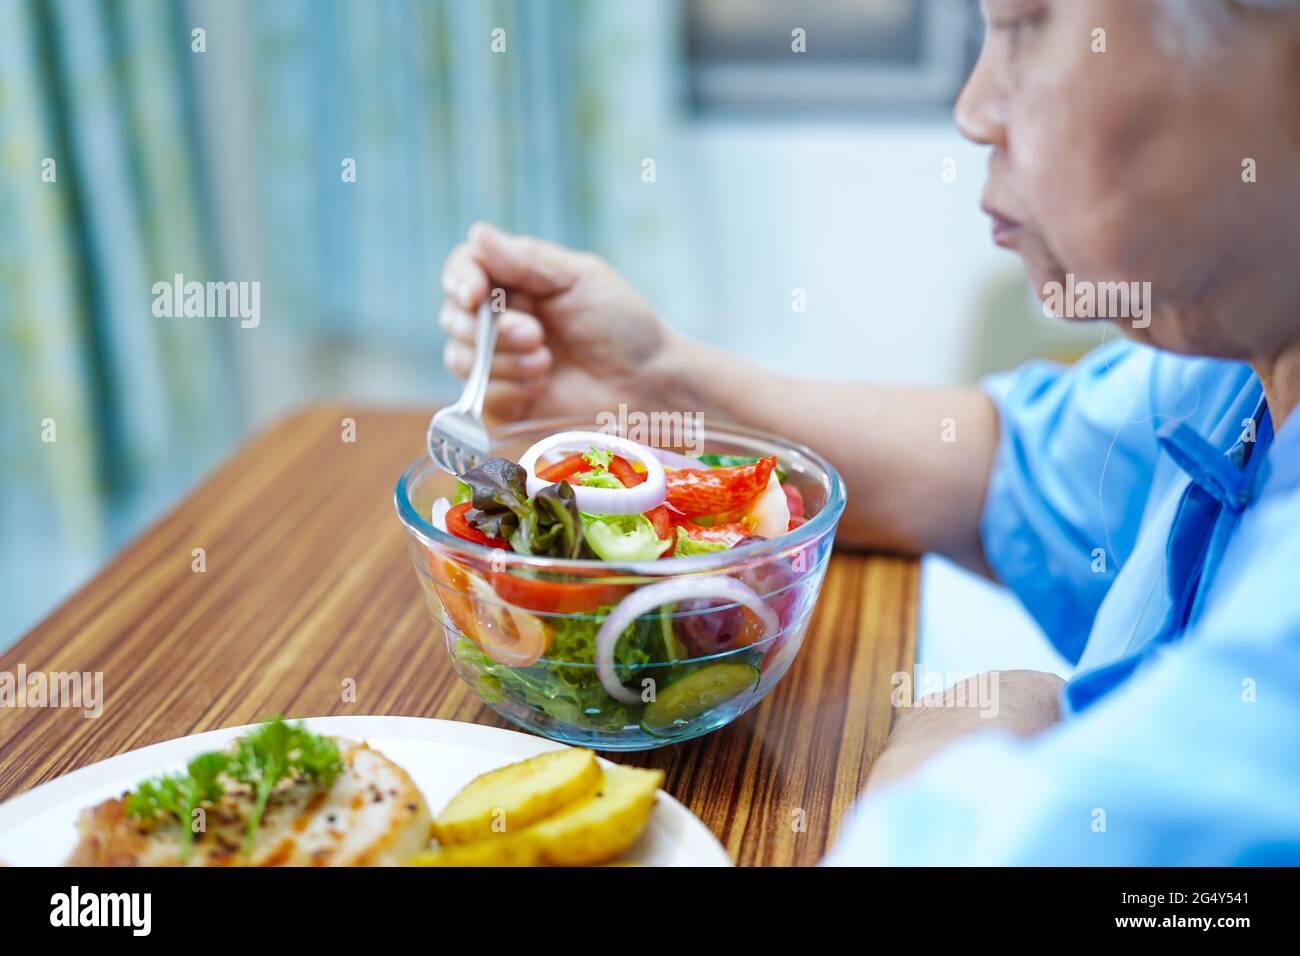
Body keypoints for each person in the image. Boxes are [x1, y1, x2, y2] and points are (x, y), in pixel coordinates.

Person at [437, 0, 1300, 864]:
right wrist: (657, 379)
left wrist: (981, 721)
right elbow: (1004, 465)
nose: (974, 109)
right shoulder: (1228, 366)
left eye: (1028, 26)